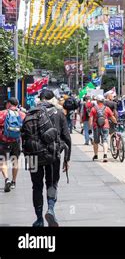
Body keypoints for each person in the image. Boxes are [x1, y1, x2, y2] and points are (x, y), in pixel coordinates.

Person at [21, 89, 71, 227]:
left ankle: (39, 219)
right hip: (52, 154)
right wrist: (67, 158)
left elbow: (23, 136)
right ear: (52, 99)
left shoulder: (29, 113)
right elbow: (66, 137)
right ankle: (50, 209)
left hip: (32, 155)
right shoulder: (58, 113)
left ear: (40, 98)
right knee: (51, 183)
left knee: (36, 186)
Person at [0, 98, 26, 192]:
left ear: (9, 104)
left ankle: (7, 179)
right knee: (15, 161)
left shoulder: (2, 113)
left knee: (3, 161)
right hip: (16, 141)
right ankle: (14, 182)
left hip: (3, 141)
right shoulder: (22, 114)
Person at [89, 95, 117, 162]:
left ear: (97, 101)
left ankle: (96, 155)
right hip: (105, 126)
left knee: (96, 142)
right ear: (103, 101)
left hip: (96, 127)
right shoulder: (106, 108)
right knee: (105, 140)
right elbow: (112, 117)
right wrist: (115, 122)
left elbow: (91, 119)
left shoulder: (93, 108)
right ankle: (105, 155)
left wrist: (90, 128)